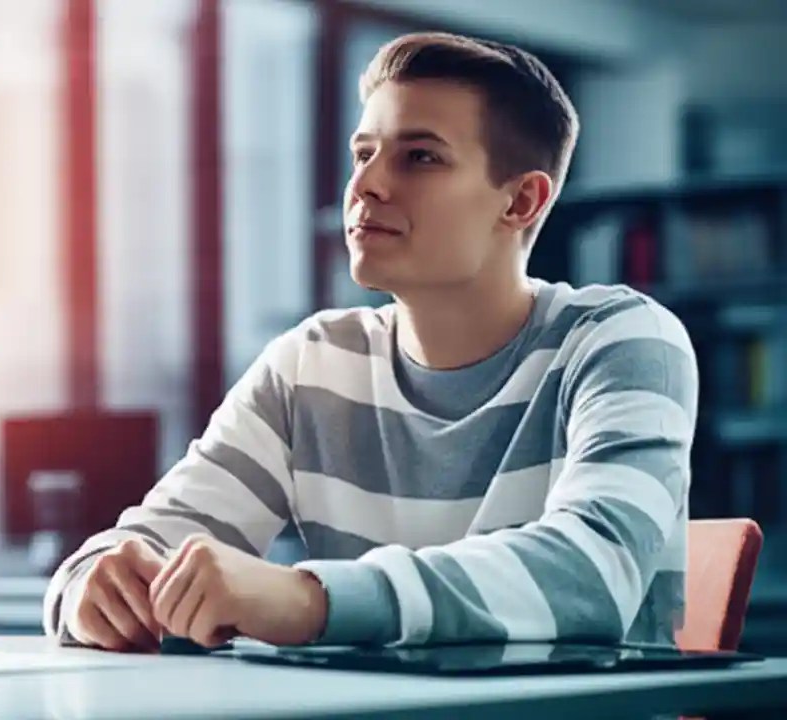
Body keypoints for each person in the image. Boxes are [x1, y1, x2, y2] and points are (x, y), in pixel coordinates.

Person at [42, 31, 696, 652]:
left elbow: (593, 573)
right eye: (363, 154)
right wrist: (93, 585)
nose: (366, 186)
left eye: (420, 157)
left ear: (521, 202)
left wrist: (308, 599)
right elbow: (143, 545)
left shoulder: (622, 340)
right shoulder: (311, 364)